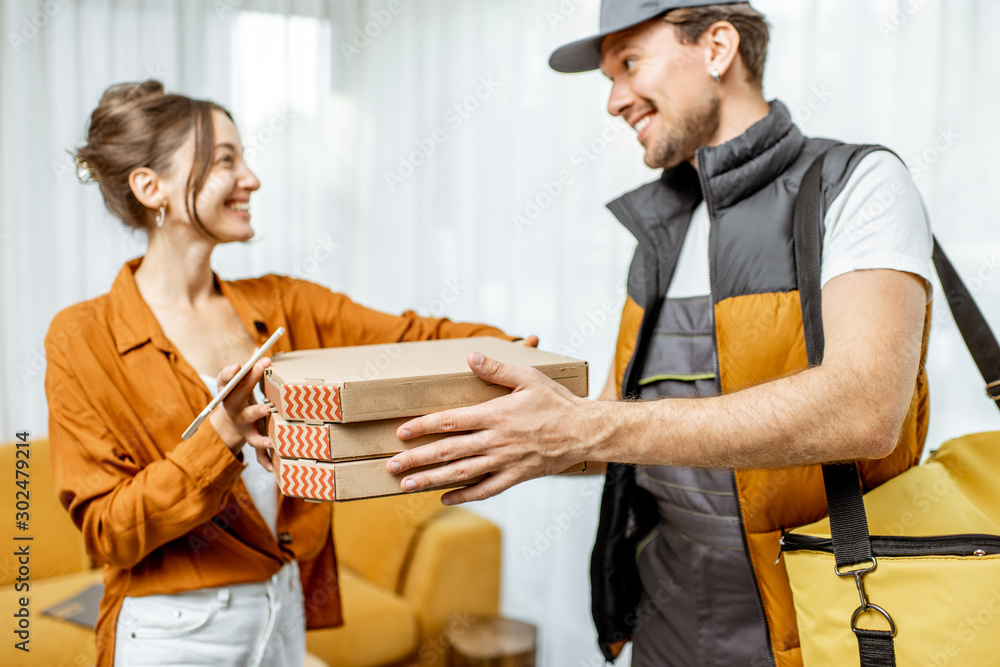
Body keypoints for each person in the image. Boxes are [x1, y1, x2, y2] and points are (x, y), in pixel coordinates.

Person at [385, 2, 933, 666]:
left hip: (824, 616)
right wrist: (429, 433)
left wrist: (584, 426)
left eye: (630, 63)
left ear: (718, 47)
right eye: (608, 77)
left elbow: (865, 409)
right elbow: (612, 425)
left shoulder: (859, 184)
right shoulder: (664, 226)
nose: (614, 100)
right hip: (666, 613)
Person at [45, 80, 520, 667]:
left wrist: (513, 358)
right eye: (225, 160)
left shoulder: (287, 305)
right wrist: (221, 434)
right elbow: (109, 532)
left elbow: (412, 337)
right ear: (151, 187)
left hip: (283, 611)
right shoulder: (83, 337)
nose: (252, 177)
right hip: (172, 635)